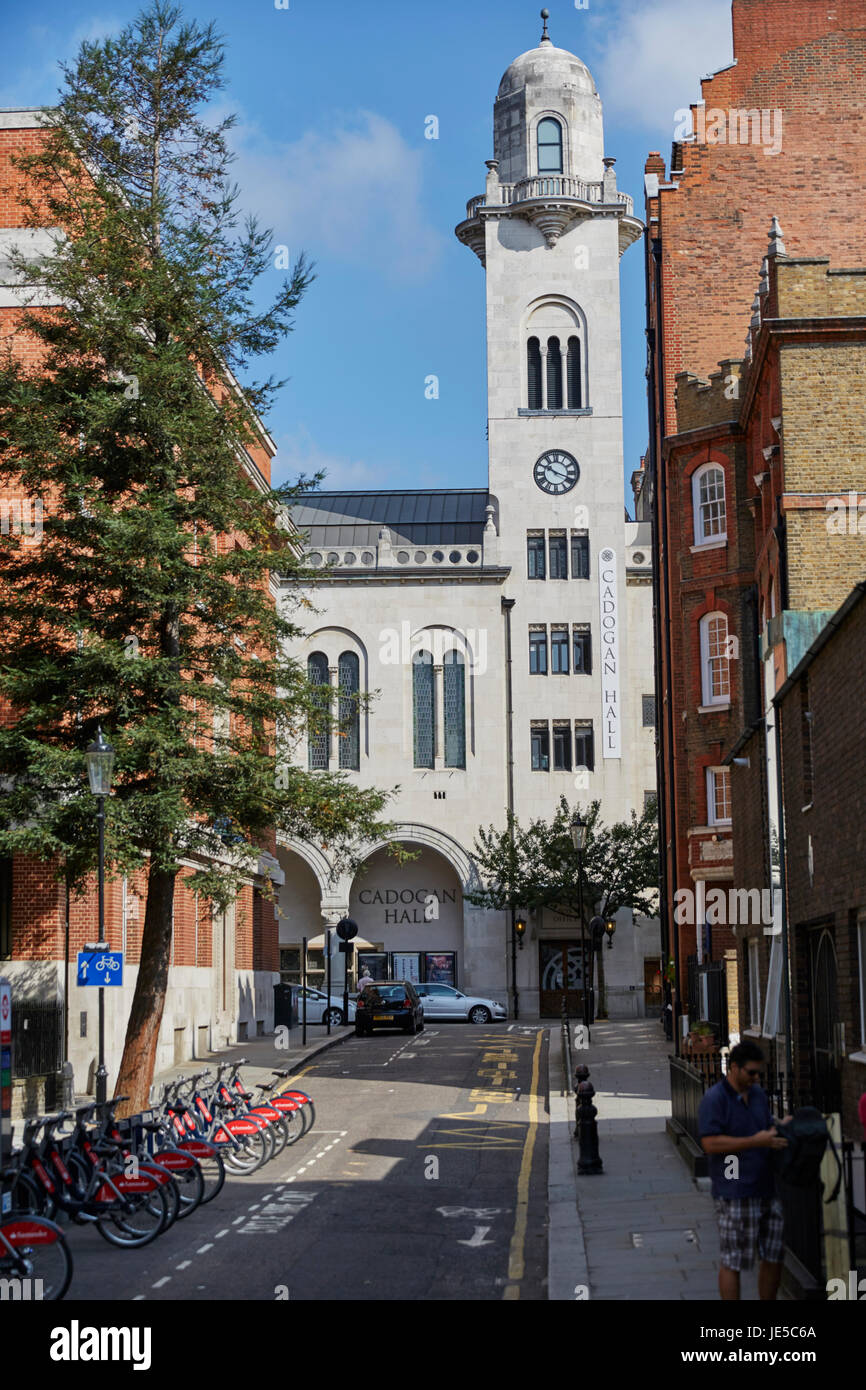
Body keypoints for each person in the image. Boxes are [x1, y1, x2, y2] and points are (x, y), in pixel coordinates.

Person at [698, 1039, 788, 1301]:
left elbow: (765, 1127)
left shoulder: (758, 1094)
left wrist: (783, 1127)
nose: (756, 1078)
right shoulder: (715, 1099)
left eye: (759, 1073)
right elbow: (710, 1143)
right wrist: (754, 1142)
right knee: (734, 1259)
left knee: (774, 1254)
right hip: (734, 1185)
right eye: (751, 1072)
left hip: (766, 1186)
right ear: (734, 1068)